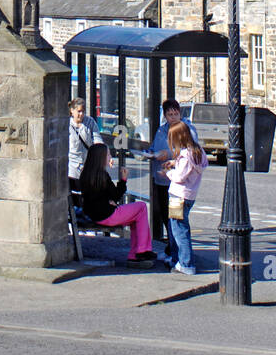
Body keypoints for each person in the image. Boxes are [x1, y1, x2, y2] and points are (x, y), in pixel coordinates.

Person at [78, 143, 154, 267]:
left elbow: (98, 196)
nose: (110, 157)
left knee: (136, 216)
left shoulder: (85, 174)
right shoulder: (102, 175)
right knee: (141, 207)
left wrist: (109, 200)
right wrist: (123, 179)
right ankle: (141, 251)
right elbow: (116, 195)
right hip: (107, 215)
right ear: (100, 157)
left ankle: (136, 253)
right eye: (108, 154)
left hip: (93, 214)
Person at [146, 99, 199, 259]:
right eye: (170, 114)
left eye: (176, 113)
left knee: (177, 224)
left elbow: (183, 168)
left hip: (177, 189)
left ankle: (183, 261)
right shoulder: (161, 130)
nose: (173, 117)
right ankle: (175, 255)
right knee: (170, 220)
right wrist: (150, 154)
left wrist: (168, 158)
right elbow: (156, 148)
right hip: (165, 184)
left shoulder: (186, 130)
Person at [163, 121, 208, 275]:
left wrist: (168, 173)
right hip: (190, 195)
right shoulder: (198, 151)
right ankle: (177, 260)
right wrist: (175, 162)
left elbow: (180, 176)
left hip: (178, 195)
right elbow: (200, 164)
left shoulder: (184, 155)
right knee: (177, 226)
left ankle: (186, 264)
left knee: (179, 230)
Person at [68, 97, 104, 192]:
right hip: (72, 166)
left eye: (83, 111)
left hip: (87, 166)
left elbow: (97, 139)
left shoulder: (90, 122)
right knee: (74, 192)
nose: (81, 114)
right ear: (72, 110)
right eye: (79, 111)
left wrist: (104, 155)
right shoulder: (67, 125)